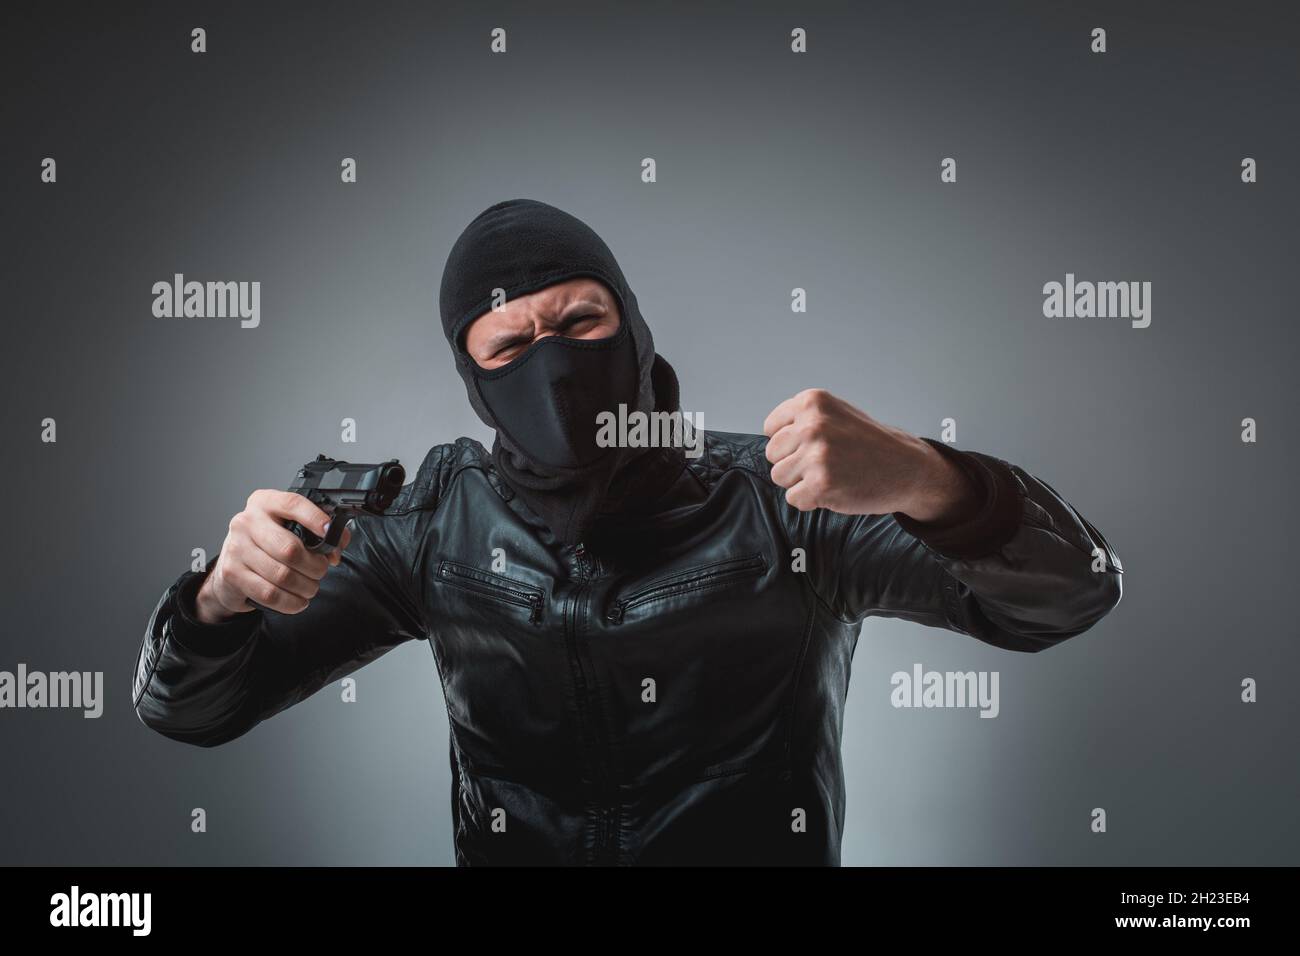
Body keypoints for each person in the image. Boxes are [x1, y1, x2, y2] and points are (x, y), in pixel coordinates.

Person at [133, 198, 1123, 865]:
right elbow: (189, 710)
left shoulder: (789, 504)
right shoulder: (433, 523)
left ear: (634, 326)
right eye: (510, 343)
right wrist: (220, 598)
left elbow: (1069, 592)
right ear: (474, 379)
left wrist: (926, 475)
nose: (550, 364)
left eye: (579, 320)